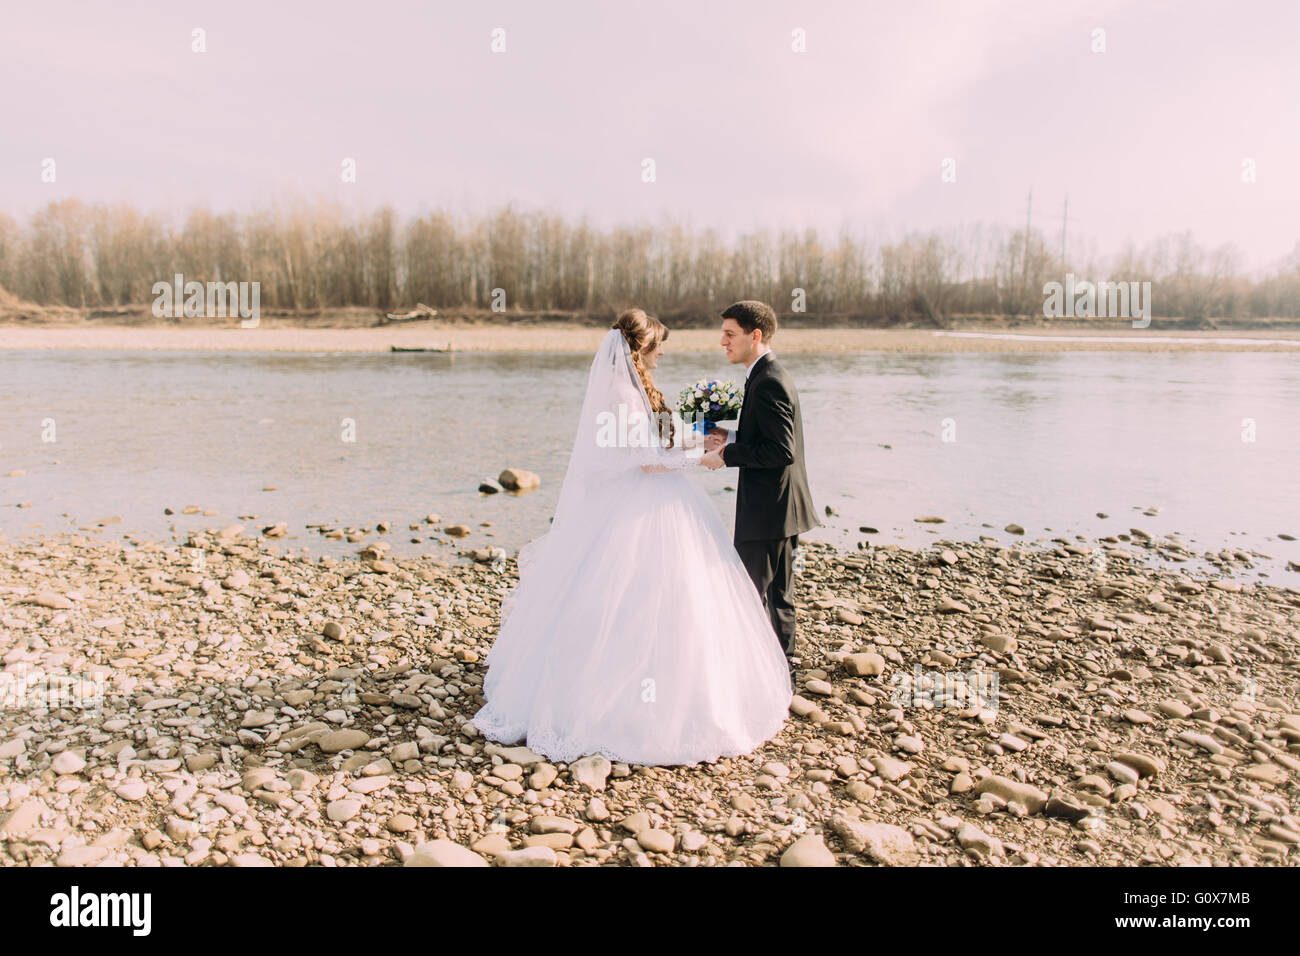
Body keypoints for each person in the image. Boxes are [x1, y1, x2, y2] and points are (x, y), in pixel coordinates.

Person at [471, 308, 793, 766]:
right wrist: (698, 460)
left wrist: (698, 439)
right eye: (659, 344)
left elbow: (656, 441)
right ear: (640, 348)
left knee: (677, 596)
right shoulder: (622, 392)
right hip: (638, 505)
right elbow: (641, 459)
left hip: (661, 499)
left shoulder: (637, 386)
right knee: (632, 594)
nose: (663, 352)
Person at [701, 300, 819, 674]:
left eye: (730, 334)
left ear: (755, 336)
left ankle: (766, 677)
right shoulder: (767, 374)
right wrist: (729, 435)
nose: (723, 341)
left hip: (768, 511)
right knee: (778, 596)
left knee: (751, 595)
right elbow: (770, 438)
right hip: (780, 508)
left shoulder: (768, 381)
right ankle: (781, 674)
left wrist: (728, 454)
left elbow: (782, 450)